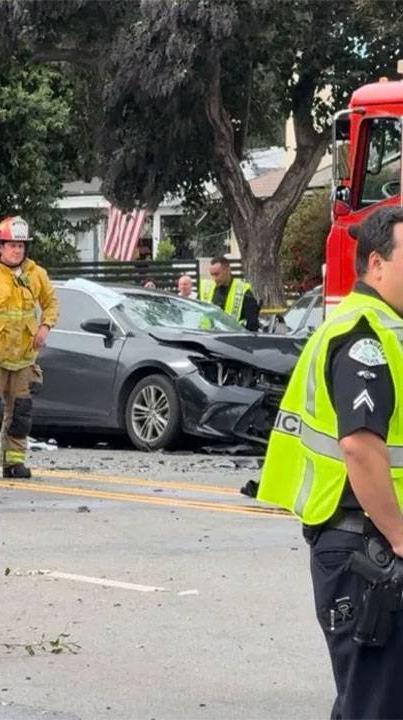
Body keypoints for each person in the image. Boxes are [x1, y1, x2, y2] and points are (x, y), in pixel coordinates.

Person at [258, 207, 403, 719]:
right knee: (377, 703)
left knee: (372, 699)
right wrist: (401, 536)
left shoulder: (383, 329)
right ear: (376, 263)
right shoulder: (364, 337)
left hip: (366, 540)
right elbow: (360, 445)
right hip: (367, 545)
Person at [0, 216, 59, 479]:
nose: (17, 250)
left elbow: (51, 303)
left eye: (21, 246)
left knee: (21, 414)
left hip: (24, 358)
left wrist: (45, 326)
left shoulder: (36, 274)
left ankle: (14, 462)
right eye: (12, 245)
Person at [199, 256, 260, 330]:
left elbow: (252, 323)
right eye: (212, 274)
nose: (214, 278)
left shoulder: (242, 290)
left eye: (217, 274)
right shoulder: (206, 288)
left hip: (232, 335)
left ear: (228, 270)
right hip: (207, 335)